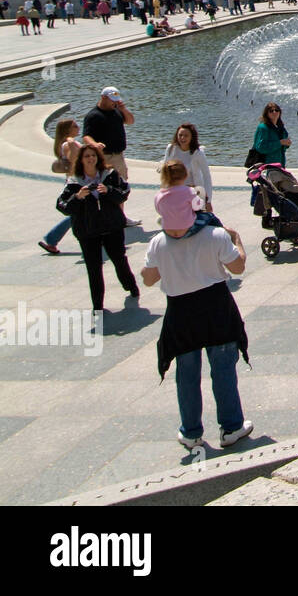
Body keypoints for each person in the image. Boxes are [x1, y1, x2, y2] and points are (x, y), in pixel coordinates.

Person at [141, 176, 253, 451]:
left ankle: (191, 432)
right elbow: (237, 268)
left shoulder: (158, 242)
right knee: (224, 369)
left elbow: (148, 279)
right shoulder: (214, 235)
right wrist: (237, 239)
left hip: (180, 312)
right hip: (216, 307)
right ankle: (231, 427)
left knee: (187, 374)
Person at [56, 145, 139, 312]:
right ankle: (98, 305)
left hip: (111, 227)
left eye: (93, 155)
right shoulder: (73, 181)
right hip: (88, 231)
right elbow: (62, 205)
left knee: (119, 259)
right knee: (93, 267)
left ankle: (131, 287)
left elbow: (124, 192)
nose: (90, 159)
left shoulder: (109, 175)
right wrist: (78, 197)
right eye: (86, 156)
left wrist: (108, 191)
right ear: (81, 160)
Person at [82, 87, 141, 227]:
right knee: (102, 187)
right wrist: (94, 144)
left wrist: (123, 109)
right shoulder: (93, 115)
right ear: (103, 97)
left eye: (116, 100)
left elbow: (131, 121)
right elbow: (86, 136)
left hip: (118, 156)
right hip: (104, 157)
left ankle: (121, 217)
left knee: (120, 186)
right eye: (112, 100)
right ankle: (103, 218)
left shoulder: (116, 111)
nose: (114, 103)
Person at [39, 117, 84, 255]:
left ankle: (52, 239)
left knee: (80, 212)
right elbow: (75, 161)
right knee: (78, 212)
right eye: (75, 126)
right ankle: (52, 239)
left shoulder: (68, 143)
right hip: (77, 182)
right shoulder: (67, 145)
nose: (78, 127)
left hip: (77, 180)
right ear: (68, 130)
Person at [162, 123, 213, 212]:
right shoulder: (171, 149)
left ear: (191, 137)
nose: (182, 138)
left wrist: (208, 200)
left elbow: (206, 176)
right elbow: (165, 172)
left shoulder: (198, 153)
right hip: (175, 190)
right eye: (180, 135)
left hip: (194, 192)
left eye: (186, 136)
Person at [252, 102, 291, 166]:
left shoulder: (281, 128)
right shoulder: (263, 127)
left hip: (280, 163)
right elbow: (261, 147)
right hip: (266, 165)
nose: (274, 112)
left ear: (280, 112)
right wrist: (280, 142)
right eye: (271, 111)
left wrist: (287, 144)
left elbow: (283, 146)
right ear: (266, 114)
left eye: (276, 110)